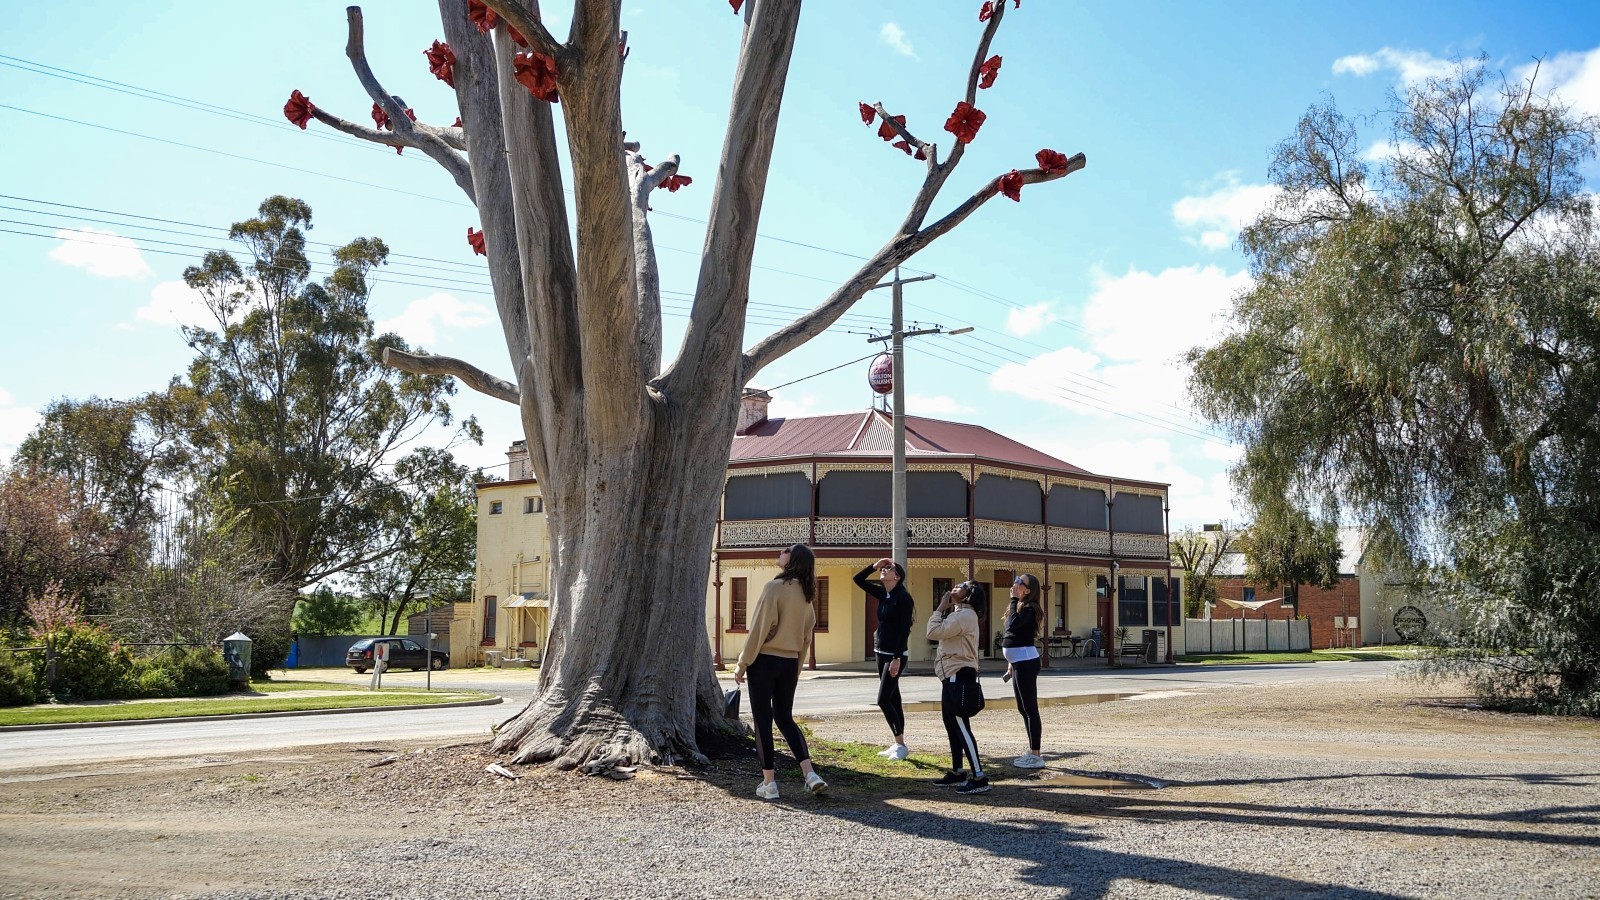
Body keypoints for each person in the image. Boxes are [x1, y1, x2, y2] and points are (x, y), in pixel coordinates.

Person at [732, 543, 828, 800]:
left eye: (786, 551)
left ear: (792, 560)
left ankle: (769, 783)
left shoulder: (774, 588)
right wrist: (795, 670)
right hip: (788, 663)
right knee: (785, 718)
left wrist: (742, 663)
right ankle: (810, 774)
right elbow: (806, 639)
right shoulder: (807, 597)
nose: (780, 553)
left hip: (764, 661)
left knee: (763, 720)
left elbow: (759, 629)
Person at [925, 580, 989, 795]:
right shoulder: (961, 613)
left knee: (960, 725)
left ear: (969, 594)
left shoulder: (964, 615)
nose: (956, 586)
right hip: (952, 674)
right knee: (951, 724)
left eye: (962, 585)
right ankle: (958, 771)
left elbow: (933, 632)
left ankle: (979, 776)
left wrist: (939, 609)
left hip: (958, 674)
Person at [853, 556, 915, 760]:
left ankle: (900, 744)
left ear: (897, 577)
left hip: (895, 655)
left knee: (883, 699)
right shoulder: (883, 594)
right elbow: (858, 580)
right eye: (883, 568)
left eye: (888, 569)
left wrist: (897, 658)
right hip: (881, 652)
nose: (884, 570)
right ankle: (899, 744)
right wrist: (874, 566)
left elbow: (905, 629)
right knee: (894, 697)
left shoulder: (903, 597)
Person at [1002, 574, 1046, 768]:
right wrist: (1010, 663)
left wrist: (1012, 599)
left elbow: (1013, 624)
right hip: (1018, 661)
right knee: (1022, 708)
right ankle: (1032, 750)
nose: (1016, 583)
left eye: (1020, 582)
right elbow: (1015, 633)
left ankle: (1036, 755)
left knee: (1030, 709)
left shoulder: (1030, 608)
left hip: (1026, 661)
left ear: (1027, 591)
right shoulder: (1020, 607)